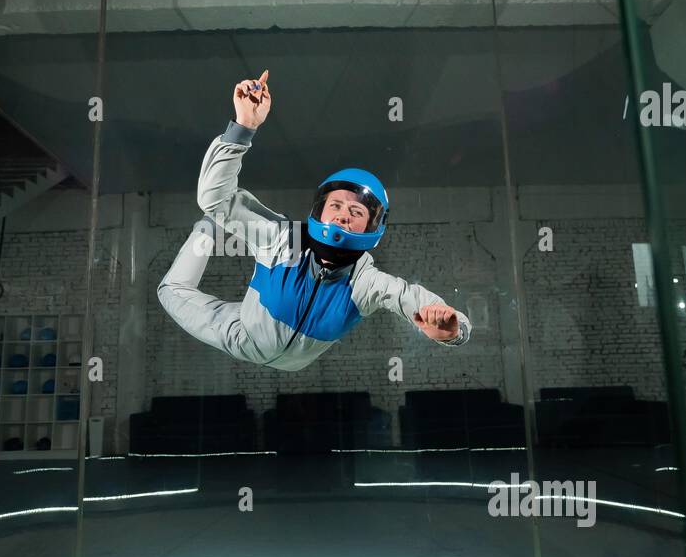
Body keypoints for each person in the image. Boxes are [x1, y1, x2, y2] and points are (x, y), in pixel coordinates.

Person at [157, 69, 470, 371]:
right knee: (171, 288)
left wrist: (453, 331)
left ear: (372, 226)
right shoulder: (283, 240)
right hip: (241, 334)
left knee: (222, 208)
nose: (343, 215)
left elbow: (413, 298)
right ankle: (209, 226)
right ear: (320, 210)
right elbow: (213, 199)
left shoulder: (364, 284)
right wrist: (243, 127)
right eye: (335, 204)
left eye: (357, 212)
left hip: (294, 363)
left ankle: (220, 219)